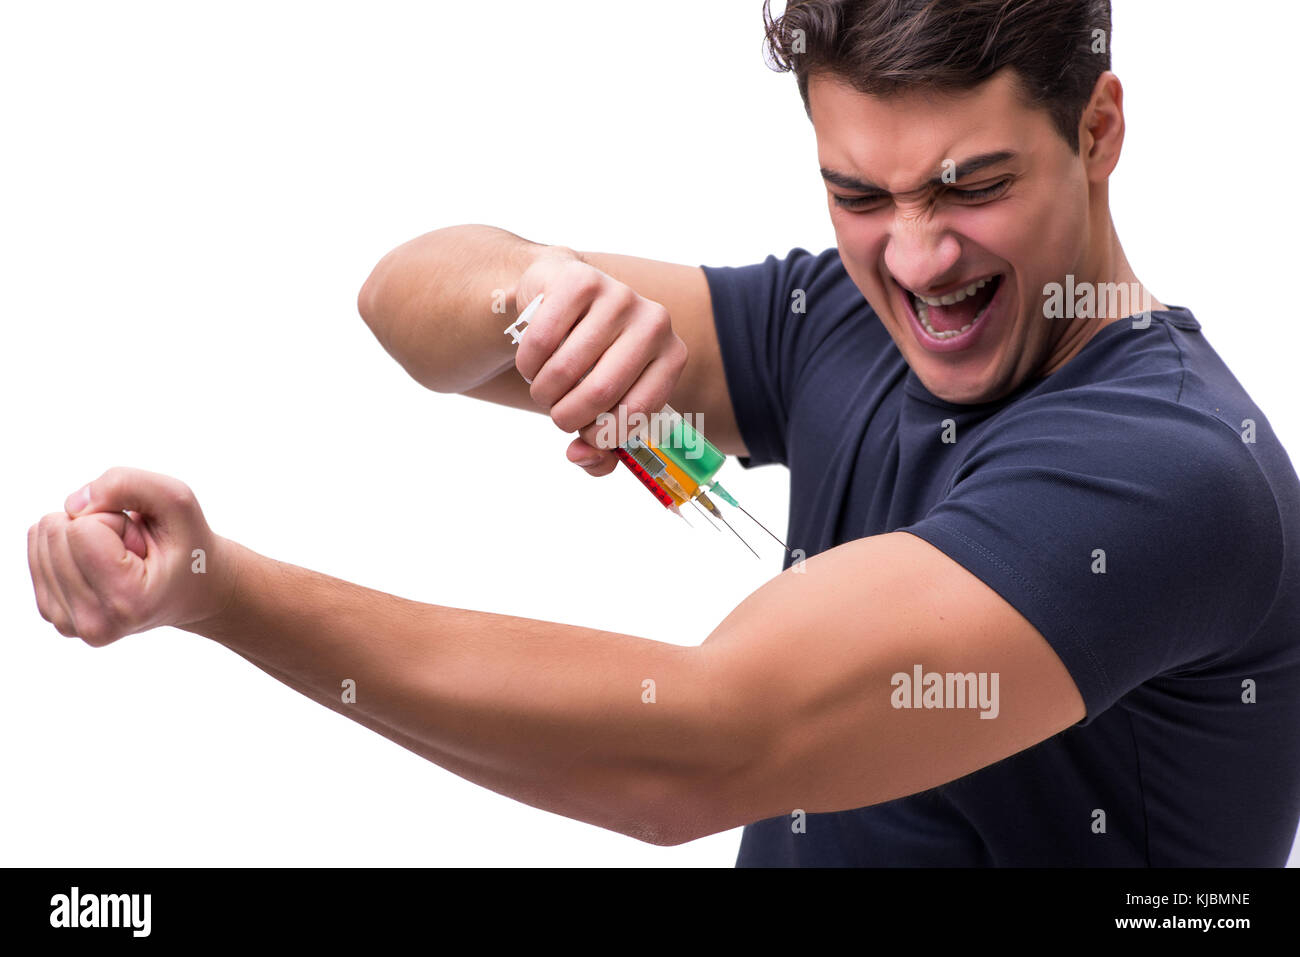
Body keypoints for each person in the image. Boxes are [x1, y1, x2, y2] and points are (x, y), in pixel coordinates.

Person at [27, 0, 1300, 865]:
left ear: (1097, 131)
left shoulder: (1168, 476)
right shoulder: (847, 322)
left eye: (972, 188)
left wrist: (220, 592)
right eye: (859, 193)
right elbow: (403, 302)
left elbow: (697, 747)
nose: (916, 259)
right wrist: (529, 296)